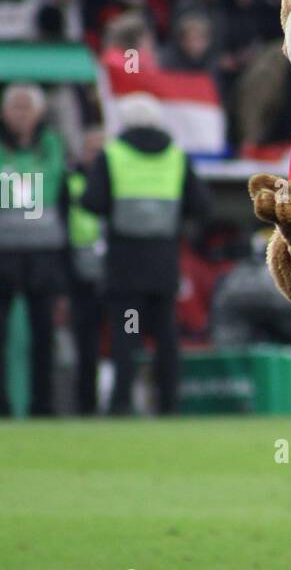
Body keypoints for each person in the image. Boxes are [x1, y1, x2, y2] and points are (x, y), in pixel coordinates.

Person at [81, 92, 209, 414]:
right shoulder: (177, 156)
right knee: (166, 337)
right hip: (164, 262)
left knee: (127, 335)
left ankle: (122, 404)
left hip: (125, 264)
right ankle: (169, 404)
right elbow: (201, 205)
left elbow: (91, 202)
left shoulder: (112, 155)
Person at [0, 84, 66, 416]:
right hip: (4, 255)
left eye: (27, 108)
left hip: (44, 254)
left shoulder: (52, 144)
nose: (21, 115)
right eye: (15, 107)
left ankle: (44, 406)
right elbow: (40, 187)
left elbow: (50, 184)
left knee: (44, 334)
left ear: (39, 112)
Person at [66, 126, 107, 415]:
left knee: (126, 335)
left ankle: (119, 400)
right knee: (86, 341)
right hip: (80, 271)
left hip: (115, 270)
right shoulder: (69, 182)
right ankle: (86, 404)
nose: (96, 156)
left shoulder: (115, 180)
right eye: (91, 149)